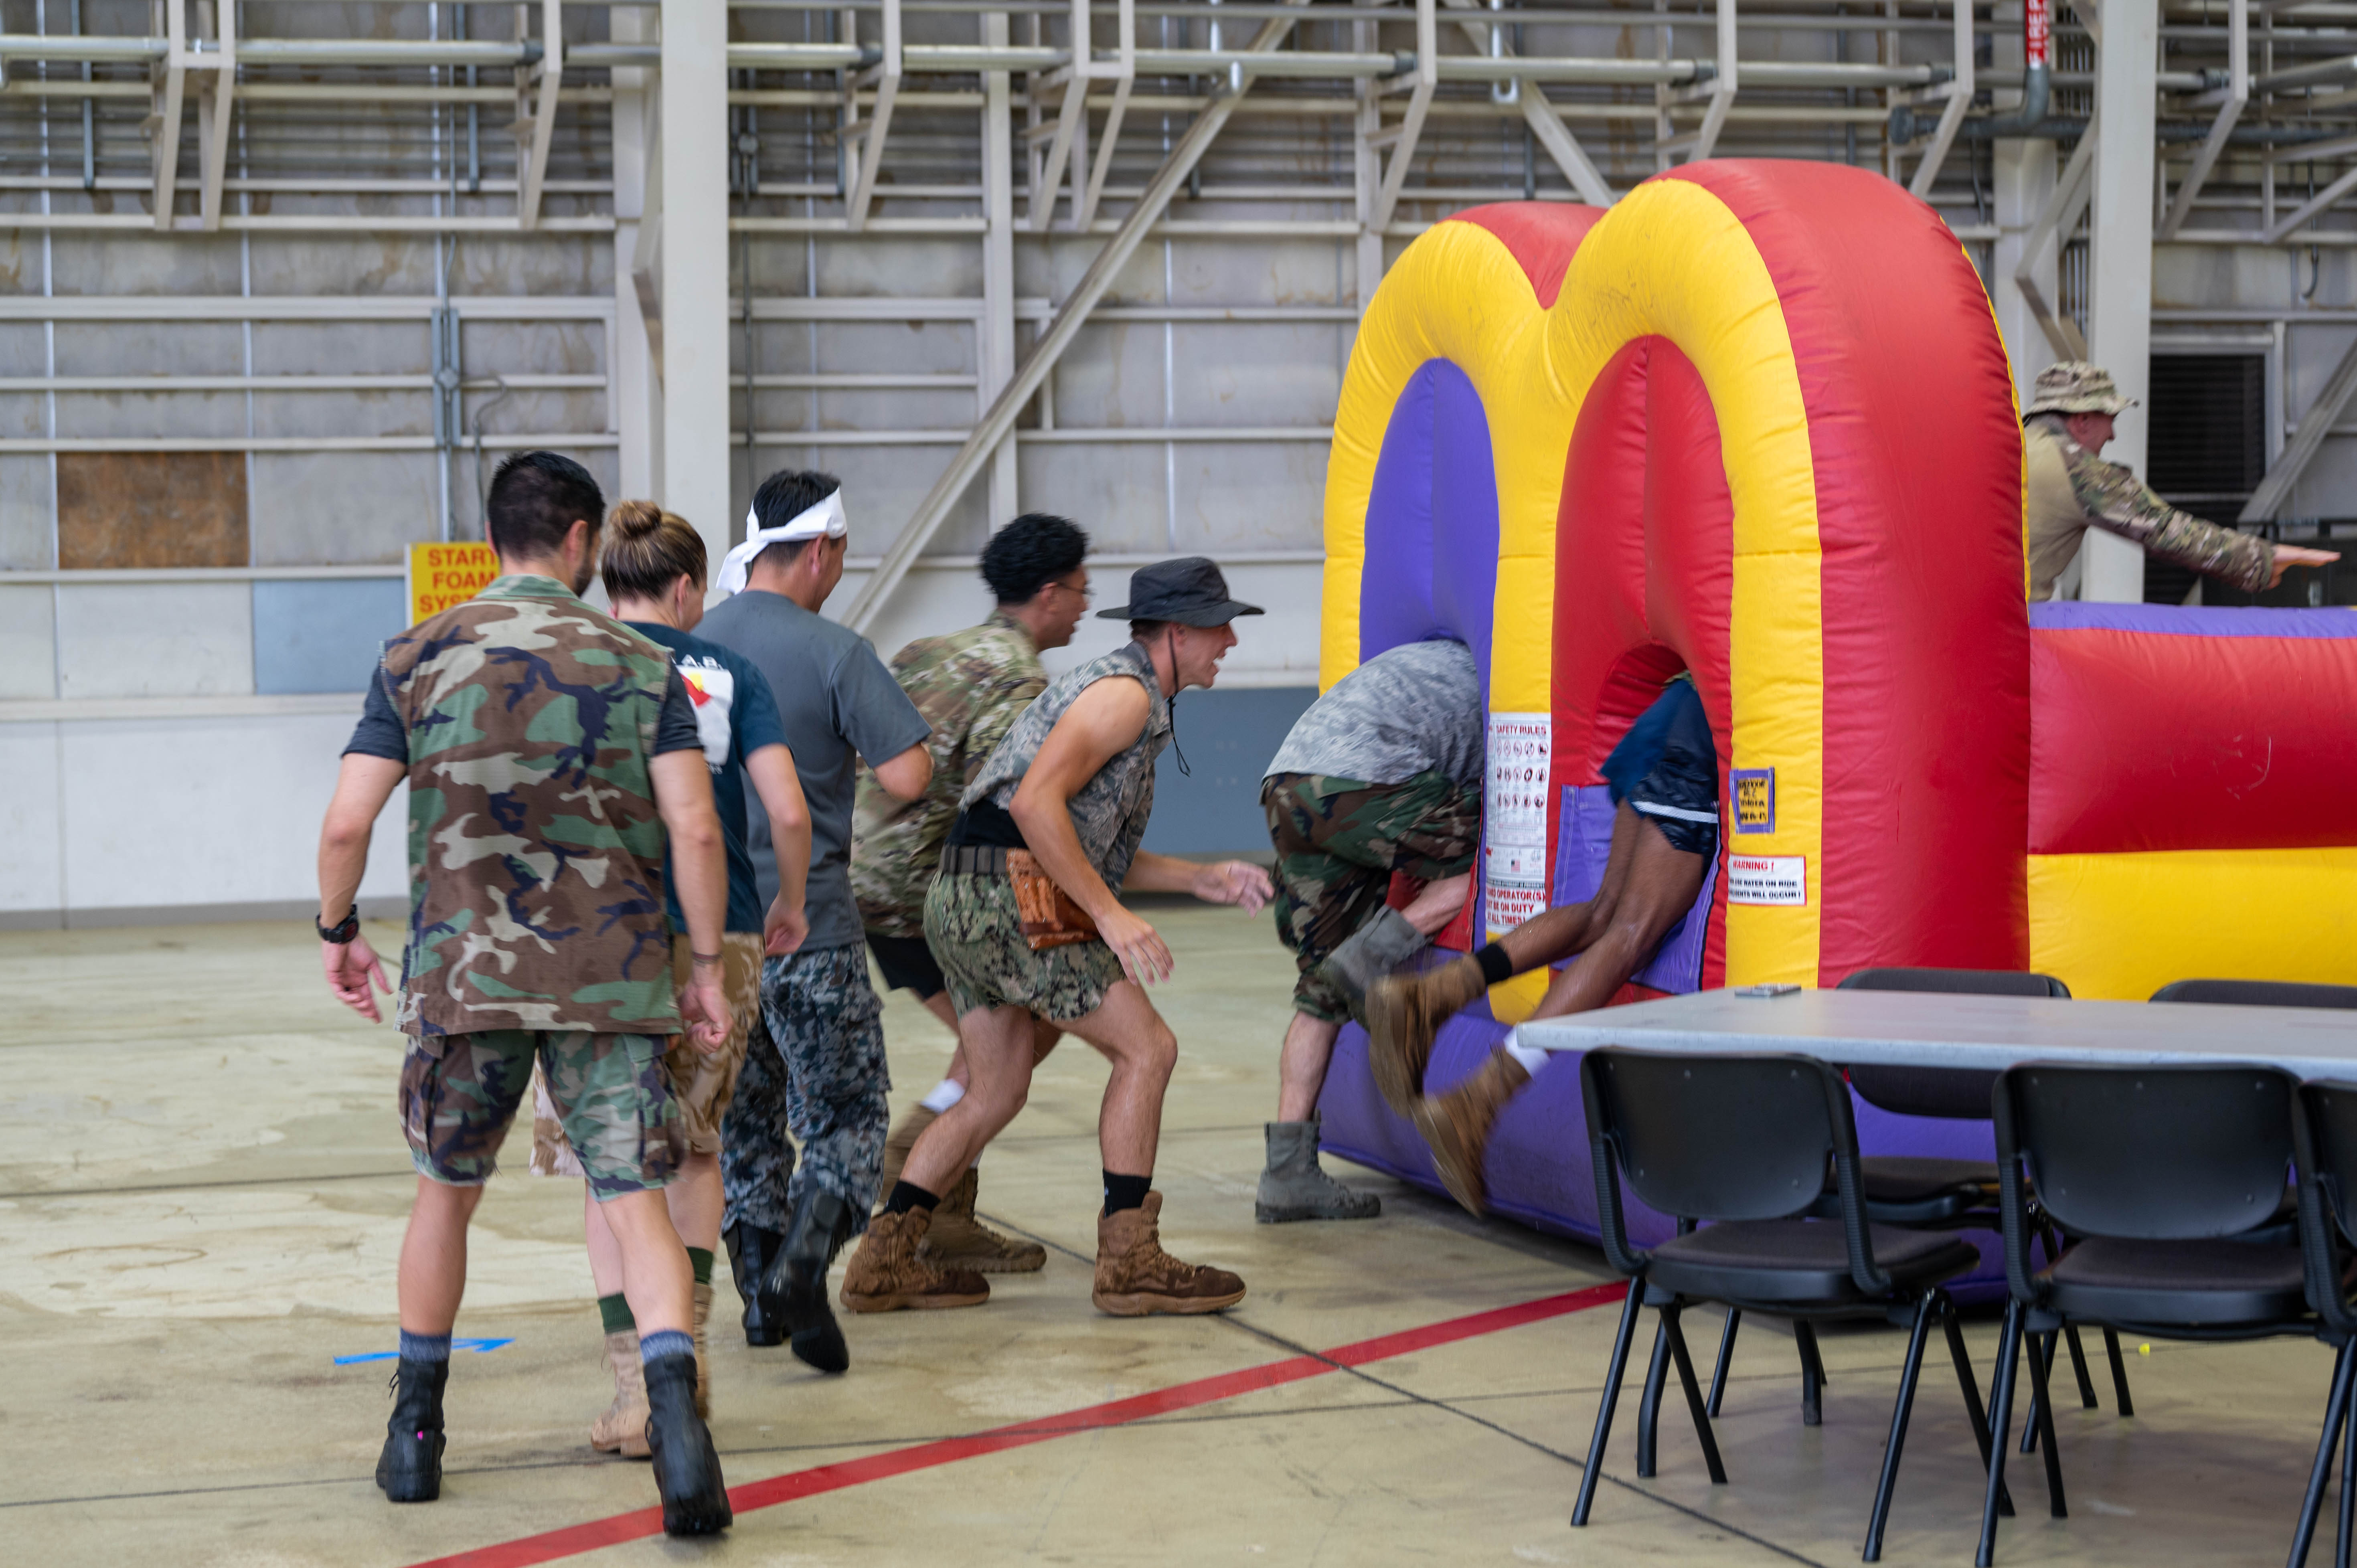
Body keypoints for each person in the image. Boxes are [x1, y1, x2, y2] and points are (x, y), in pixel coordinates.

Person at [315, 452, 733, 1535]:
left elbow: (347, 823)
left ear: (496, 534)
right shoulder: (642, 663)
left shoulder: (416, 654)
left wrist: (340, 928)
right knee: (632, 1194)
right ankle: (677, 1430)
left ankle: (415, 1434)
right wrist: (698, 966)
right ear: (584, 539)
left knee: (445, 1192)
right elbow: (694, 826)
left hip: (465, 982)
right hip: (613, 980)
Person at [840, 556, 1274, 1317]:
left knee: (995, 1087)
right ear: (1175, 632)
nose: (1229, 640)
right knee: (1147, 1049)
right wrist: (1108, 914)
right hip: (1009, 896)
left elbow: (1065, 838)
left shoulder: (1121, 694)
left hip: (963, 892)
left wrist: (1198, 879)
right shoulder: (1124, 696)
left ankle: (884, 1259)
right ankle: (1129, 1259)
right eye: (1217, 626)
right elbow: (1037, 808)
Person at [525, 500, 813, 1456]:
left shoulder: (581, 662)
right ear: (689, 586)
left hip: (592, 945)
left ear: (608, 581)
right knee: (695, 1152)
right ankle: (685, 1380)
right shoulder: (728, 672)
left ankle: (631, 1394)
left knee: (607, 1168)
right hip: (715, 930)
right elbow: (785, 810)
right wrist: (790, 904)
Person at [695, 468, 934, 1375]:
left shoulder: (690, 643)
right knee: (843, 1113)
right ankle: (803, 1261)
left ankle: (759, 1302)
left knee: (745, 1118)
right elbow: (909, 775)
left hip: (712, 933)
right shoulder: (836, 650)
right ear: (824, 549)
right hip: (811, 927)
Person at [1366, 673, 1718, 1218]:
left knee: (1603, 912)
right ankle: (1478, 1099)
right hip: (1701, 735)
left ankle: (1435, 992)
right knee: (1630, 933)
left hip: (1670, 708)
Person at [852, 514, 1092, 1275]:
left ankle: (942, 1203)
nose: (1085, 607)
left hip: (865, 883)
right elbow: (1004, 809)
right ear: (1049, 594)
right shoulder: (1020, 681)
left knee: (1002, 1041)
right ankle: (915, 1180)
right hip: (931, 891)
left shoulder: (925, 650)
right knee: (1020, 1043)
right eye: (1081, 592)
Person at [1255, 637, 1483, 1223]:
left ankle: (1287, 1172)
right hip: (1361, 780)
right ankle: (1369, 957)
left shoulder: (1420, 660)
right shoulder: (1501, 675)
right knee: (1496, 855)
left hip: (1286, 783)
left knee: (1318, 988)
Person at [2023, 360, 2337, 601]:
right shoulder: (2076, 470)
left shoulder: (2011, 444)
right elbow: (2167, 531)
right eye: (2112, 420)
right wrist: (2260, 560)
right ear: (2083, 420)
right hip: (2002, 634)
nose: (2113, 435)